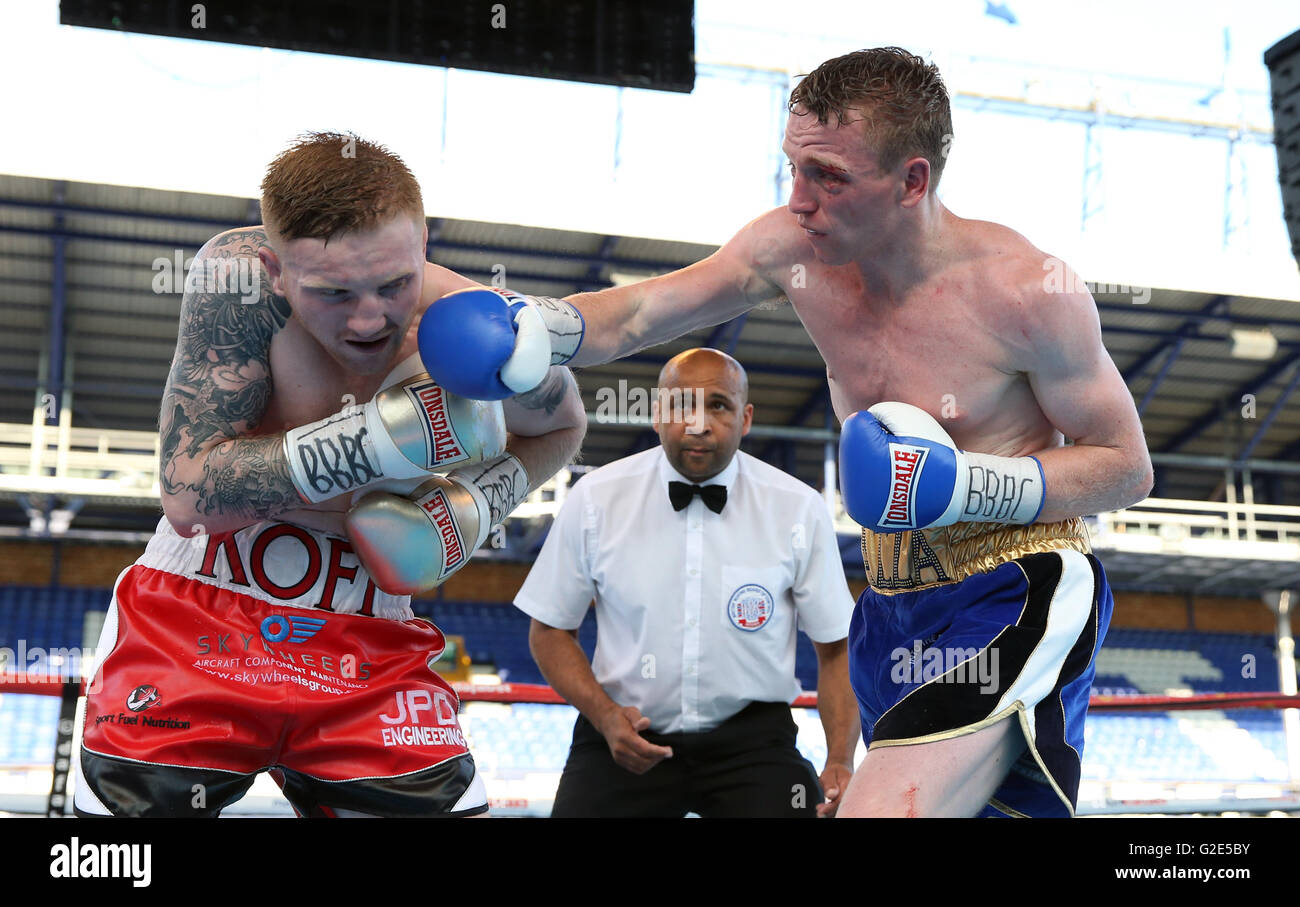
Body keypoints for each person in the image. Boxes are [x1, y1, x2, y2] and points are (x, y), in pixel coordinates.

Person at [420, 48, 1153, 817]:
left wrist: (963, 485)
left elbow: (1127, 467)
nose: (799, 200)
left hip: (1016, 581)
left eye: (830, 177)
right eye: (793, 167)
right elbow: (639, 313)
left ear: (912, 180)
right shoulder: (793, 253)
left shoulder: (1026, 290)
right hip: (893, 601)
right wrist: (536, 329)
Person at [73, 132, 586, 818]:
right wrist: (378, 440)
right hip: (200, 607)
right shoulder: (238, 279)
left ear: (423, 242)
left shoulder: (479, 321)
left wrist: (471, 508)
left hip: (368, 630)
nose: (370, 316)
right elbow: (189, 495)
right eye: (333, 291)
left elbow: (567, 417)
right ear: (275, 268)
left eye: (393, 284)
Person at [514, 349, 858, 817]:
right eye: (680, 405)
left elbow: (836, 646)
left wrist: (839, 759)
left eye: (718, 405)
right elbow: (549, 630)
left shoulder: (797, 508)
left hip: (754, 746)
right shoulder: (596, 499)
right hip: (621, 734)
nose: (698, 424)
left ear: (746, 417)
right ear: (657, 415)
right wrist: (604, 716)